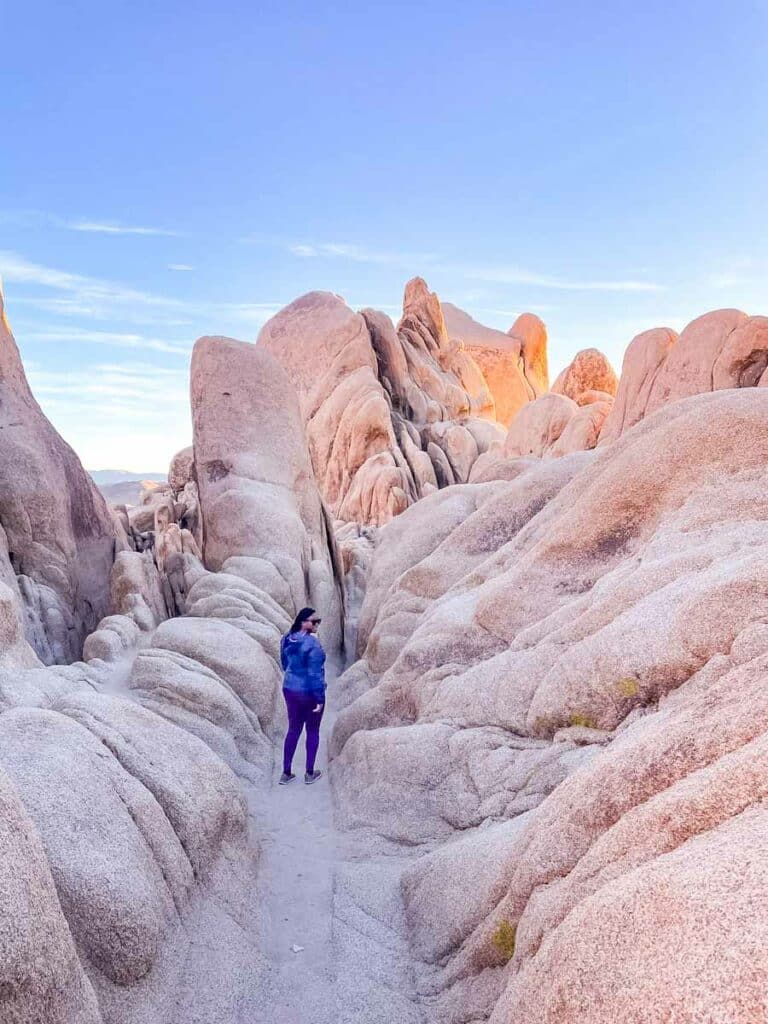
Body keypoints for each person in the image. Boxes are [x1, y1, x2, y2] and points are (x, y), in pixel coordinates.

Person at [279, 606, 326, 785]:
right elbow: (315, 674)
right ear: (303, 622)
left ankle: (286, 773)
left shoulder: (286, 639)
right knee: (312, 730)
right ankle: (309, 773)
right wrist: (320, 699)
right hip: (309, 693)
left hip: (290, 689)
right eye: (314, 622)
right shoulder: (312, 643)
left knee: (293, 729)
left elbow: (284, 664)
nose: (317, 625)